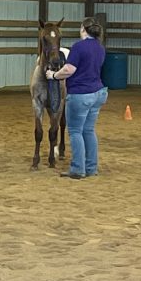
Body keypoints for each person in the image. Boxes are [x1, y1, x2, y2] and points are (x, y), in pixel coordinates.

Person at [48, 17, 108, 180]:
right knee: (88, 130)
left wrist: (54, 75)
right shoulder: (100, 47)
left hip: (80, 94)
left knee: (75, 131)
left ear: (83, 29)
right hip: (98, 93)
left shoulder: (79, 47)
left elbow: (68, 69)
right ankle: (91, 167)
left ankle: (77, 168)